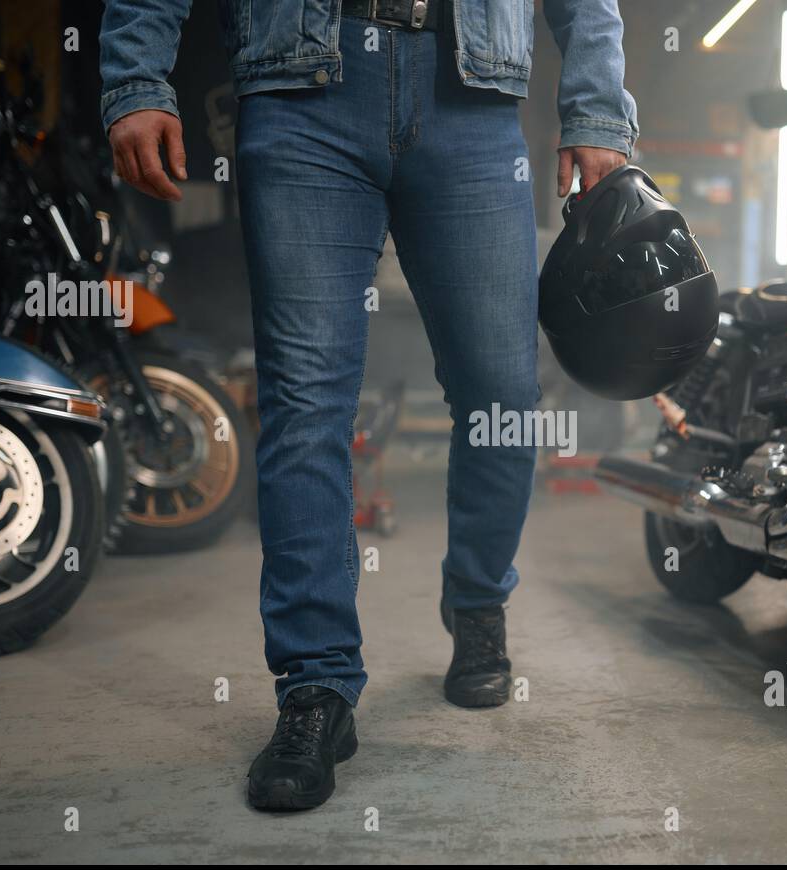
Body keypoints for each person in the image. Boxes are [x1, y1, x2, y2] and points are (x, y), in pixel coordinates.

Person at [100, 0, 638, 811]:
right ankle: (314, 686)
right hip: (302, 92)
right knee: (304, 401)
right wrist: (137, 77)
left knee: (502, 394)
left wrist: (595, 106)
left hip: (470, 95)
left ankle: (477, 598)